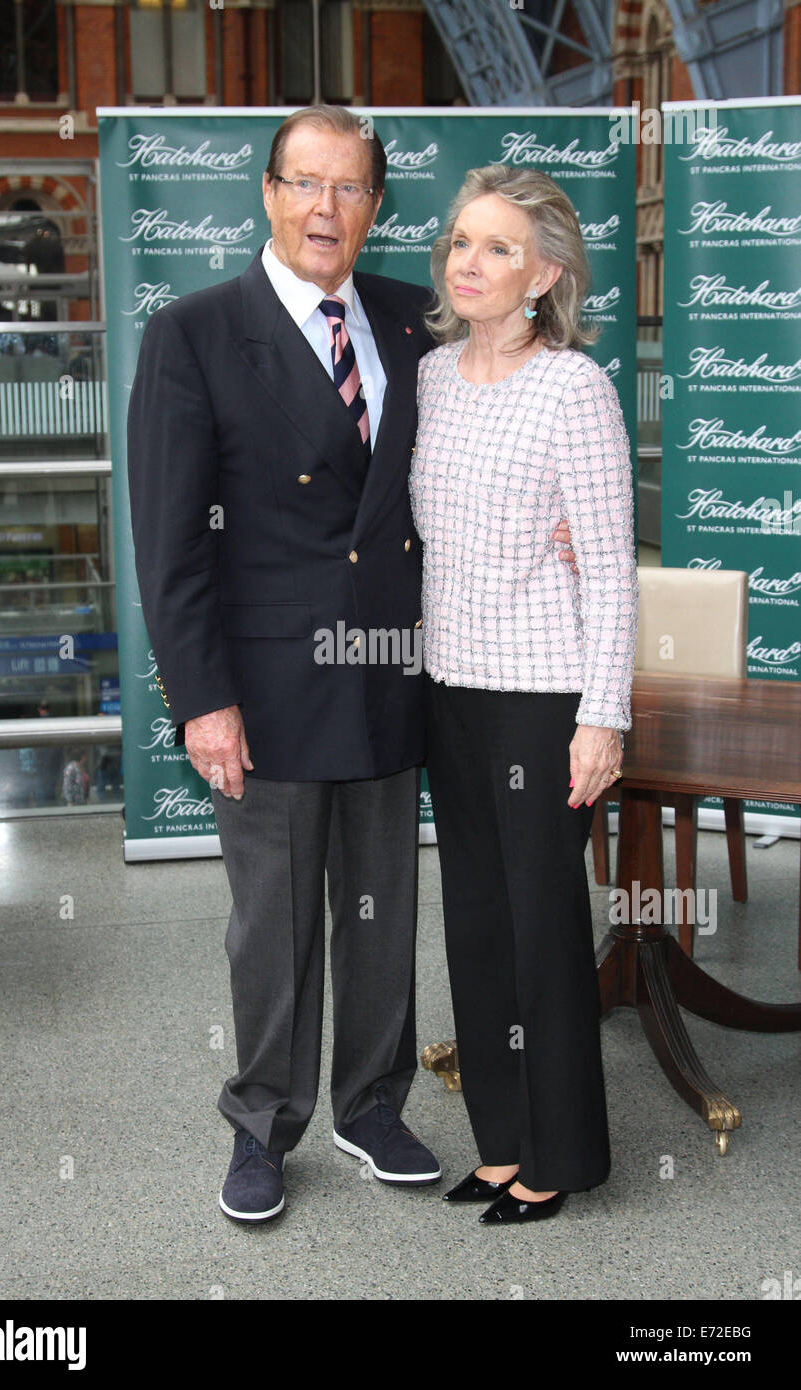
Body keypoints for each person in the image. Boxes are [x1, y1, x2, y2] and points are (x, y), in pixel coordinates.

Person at [128, 107, 577, 1225]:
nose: (326, 208)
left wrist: (558, 515)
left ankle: (370, 1105)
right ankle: (262, 1123)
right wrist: (203, 700)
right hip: (267, 691)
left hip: (393, 673)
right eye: (305, 183)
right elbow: (169, 540)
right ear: (268, 193)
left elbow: (480, 439)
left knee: (380, 912)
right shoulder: (191, 333)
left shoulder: (410, 318)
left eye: (351, 188)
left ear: (376, 206)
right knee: (272, 926)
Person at [409, 166, 637, 1225]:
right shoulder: (431, 379)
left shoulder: (573, 387)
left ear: (543, 273)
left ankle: (559, 1154)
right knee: (474, 925)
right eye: (461, 240)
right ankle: (498, 1142)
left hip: (543, 697)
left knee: (543, 932)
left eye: (498, 248)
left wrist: (603, 715)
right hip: (449, 689)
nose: (470, 261)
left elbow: (608, 564)